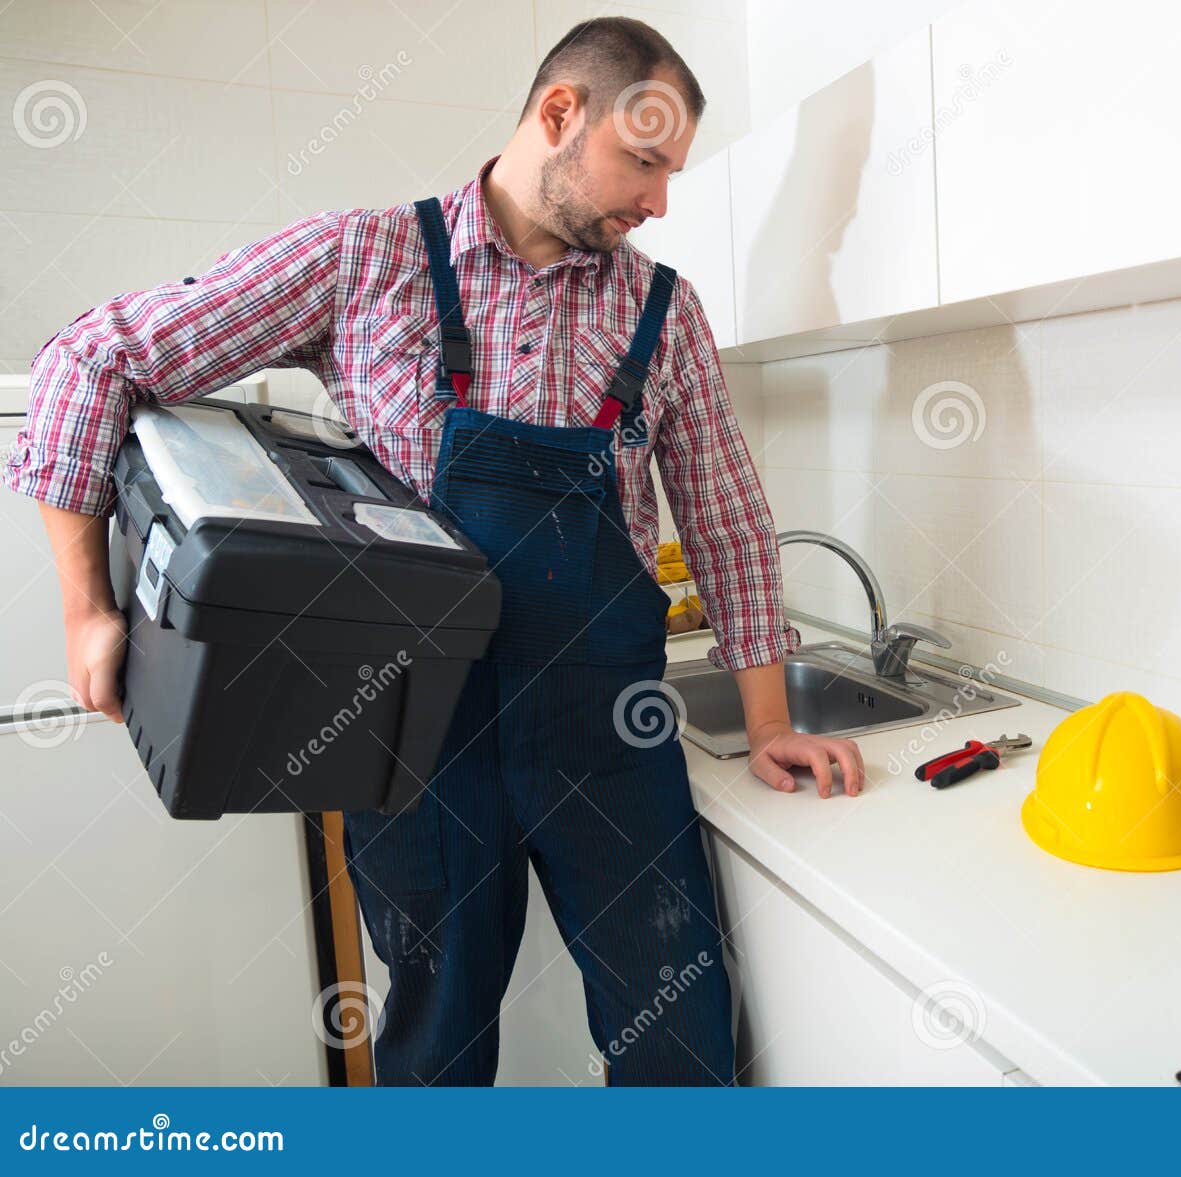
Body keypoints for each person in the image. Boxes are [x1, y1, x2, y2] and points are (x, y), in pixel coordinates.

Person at [4, 16, 866, 1086]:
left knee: (682, 1048)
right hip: (414, 746)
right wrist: (88, 606)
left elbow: (727, 520)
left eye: (672, 174)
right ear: (560, 114)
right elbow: (95, 359)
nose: (657, 202)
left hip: (607, 737)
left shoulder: (666, 311)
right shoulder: (364, 258)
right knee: (434, 1058)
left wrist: (772, 717)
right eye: (644, 162)